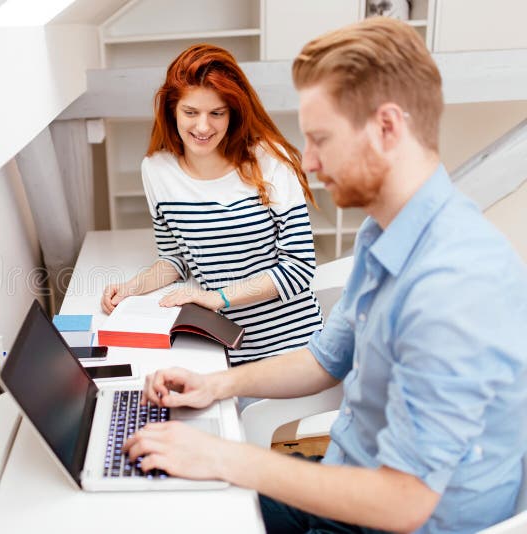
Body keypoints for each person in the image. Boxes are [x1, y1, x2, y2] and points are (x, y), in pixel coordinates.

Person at [123, 17, 527, 534]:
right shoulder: (384, 236)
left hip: (384, 520)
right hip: (344, 485)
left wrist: (224, 457)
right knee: (171, 507)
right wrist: (213, 384)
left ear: (386, 128)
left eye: (320, 139)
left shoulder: (452, 288)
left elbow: (403, 504)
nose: (307, 162)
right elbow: (323, 360)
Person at [101, 44, 323, 367]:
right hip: (222, 349)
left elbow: (299, 266)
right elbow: (176, 258)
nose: (203, 127)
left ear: (233, 112)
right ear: (171, 109)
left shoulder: (270, 160)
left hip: (294, 349)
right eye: (191, 112)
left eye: (216, 113)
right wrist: (132, 288)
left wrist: (216, 298)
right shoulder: (156, 171)